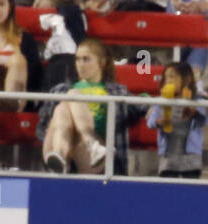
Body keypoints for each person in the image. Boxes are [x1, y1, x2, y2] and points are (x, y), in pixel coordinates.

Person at [37, 37, 140, 175]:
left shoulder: (116, 92)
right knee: (64, 106)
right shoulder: (60, 90)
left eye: (86, 59)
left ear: (102, 62)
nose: (80, 64)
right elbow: (42, 129)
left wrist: (153, 107)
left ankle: (78, 149)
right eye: (77, 59)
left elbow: (142, 107)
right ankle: (77, 149)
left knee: (66, 102)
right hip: (59, 147)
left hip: (99, 159)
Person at [0, 0, 42, 110]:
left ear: (9, 7)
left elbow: (35, 75)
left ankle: (9, 104)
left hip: (18, 91)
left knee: (17, 59)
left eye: (1, 4)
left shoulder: (26, 38)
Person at [145, 61, 206, 178]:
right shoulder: (160, 101)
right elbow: (150, 123)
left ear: (187, 79)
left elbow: (203, 121)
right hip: (168, 160)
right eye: (165, 77)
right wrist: (158, 122)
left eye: (172, 76)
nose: (167, 80)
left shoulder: (196, 100)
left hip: (191, 160)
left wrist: (194, 112)